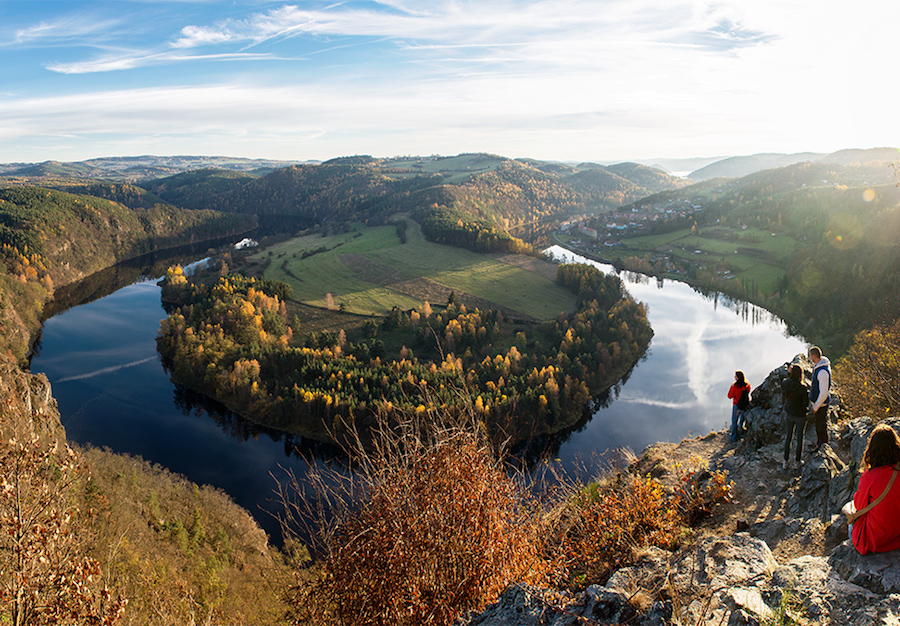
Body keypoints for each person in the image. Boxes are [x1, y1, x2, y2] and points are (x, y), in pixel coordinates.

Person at [850, 424, 900, 555]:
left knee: (851, 524)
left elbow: (859, 506)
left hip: (877, 539)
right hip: (898, 534)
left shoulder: (870, 476)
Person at [781, 364, 809, 469]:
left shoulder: (785, 383)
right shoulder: (802, 388)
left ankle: (785, 461)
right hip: (800, 416)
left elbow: (784, 396)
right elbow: (805, 403)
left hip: (789, 413)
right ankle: (797, 462)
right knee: (799, 438)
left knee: (788, 437)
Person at [807, 346, 832, 452]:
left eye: (810, 356)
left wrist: (815, 407)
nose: (809, 358)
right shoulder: (820, 366)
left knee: (820, 426)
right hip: (819, 403)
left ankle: (823, 446)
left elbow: (823, 393)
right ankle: (821, 444)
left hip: (821, 404)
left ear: (813, 356)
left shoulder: (822, 372)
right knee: (820, 424)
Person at [727, 371, 751, 441]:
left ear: (738, 377)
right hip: (745, 405)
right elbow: (748, 391)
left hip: (736, 405)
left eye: (735, 376)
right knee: (742, 419)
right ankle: (741, 430)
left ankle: (734, 437)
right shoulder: (747, 385)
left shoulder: (734, 386)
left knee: (734, 421)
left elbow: (729, 396)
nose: (734, 377)